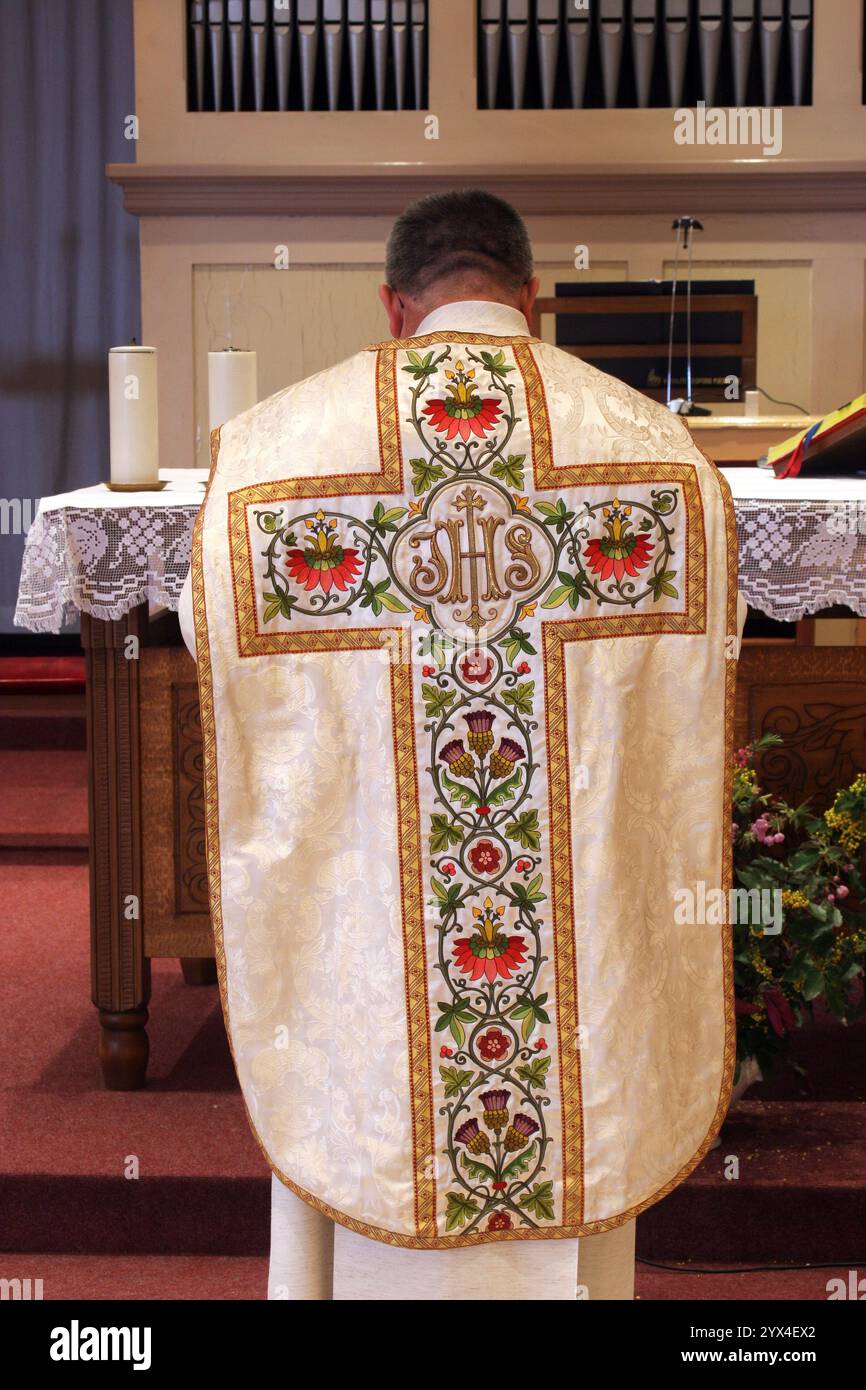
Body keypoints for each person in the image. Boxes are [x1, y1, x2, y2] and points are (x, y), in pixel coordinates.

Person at [179, 189, 745, 1300]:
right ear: (530, 300)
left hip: (380, 950)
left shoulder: (272, 453)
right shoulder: (654, 452)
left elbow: (210, 631)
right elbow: (707, 647)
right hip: (566, 940)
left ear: (393, 305)